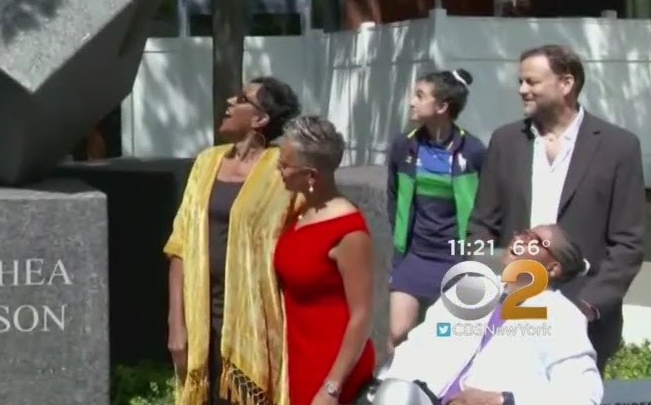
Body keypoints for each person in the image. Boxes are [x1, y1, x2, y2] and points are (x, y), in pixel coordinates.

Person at [467, 43, 644, 370]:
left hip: (583, 314)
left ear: (566, 83)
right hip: (512, 306)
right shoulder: (506, 141)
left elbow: (628, 243)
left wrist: (587, 307)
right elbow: (481, 224)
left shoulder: (618, 147)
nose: (522, 90)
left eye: (532, 82)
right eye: (520, 81)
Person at [164, 77, 302, 405]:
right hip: (201, 313)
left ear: (260, 119)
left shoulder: (281, 171)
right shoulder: (206, 162)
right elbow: (180, 244)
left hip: (255, 321)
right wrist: (175, 322)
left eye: (241, 98)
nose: (229, 101)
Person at [379, 224, 603, 404]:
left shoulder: (561, 316)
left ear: (552, 268)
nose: (519, 240)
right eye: (522, 233)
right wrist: (387, 381)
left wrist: (503, 400)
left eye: (534, 241)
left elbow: (583, 396)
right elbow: (422, 344)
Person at [274, 115, 374, 405]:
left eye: (284, 165)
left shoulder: (348, 232)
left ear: (311, 176)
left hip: (330, 367)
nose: (278, 170)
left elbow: (361, 316)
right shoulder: (300, 212)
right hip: (299, 354)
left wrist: (332, 387)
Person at [387, 69, 486, 349]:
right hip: (415, 255)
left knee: (447, 341)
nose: (412, 102)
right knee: (398, 333)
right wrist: (400, 245)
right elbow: (393, 196)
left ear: (442, 106)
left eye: (420, 96)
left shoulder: (473, 151)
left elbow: (486, 207)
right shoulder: (404, 145)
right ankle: (389, 376)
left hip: (455, 259)